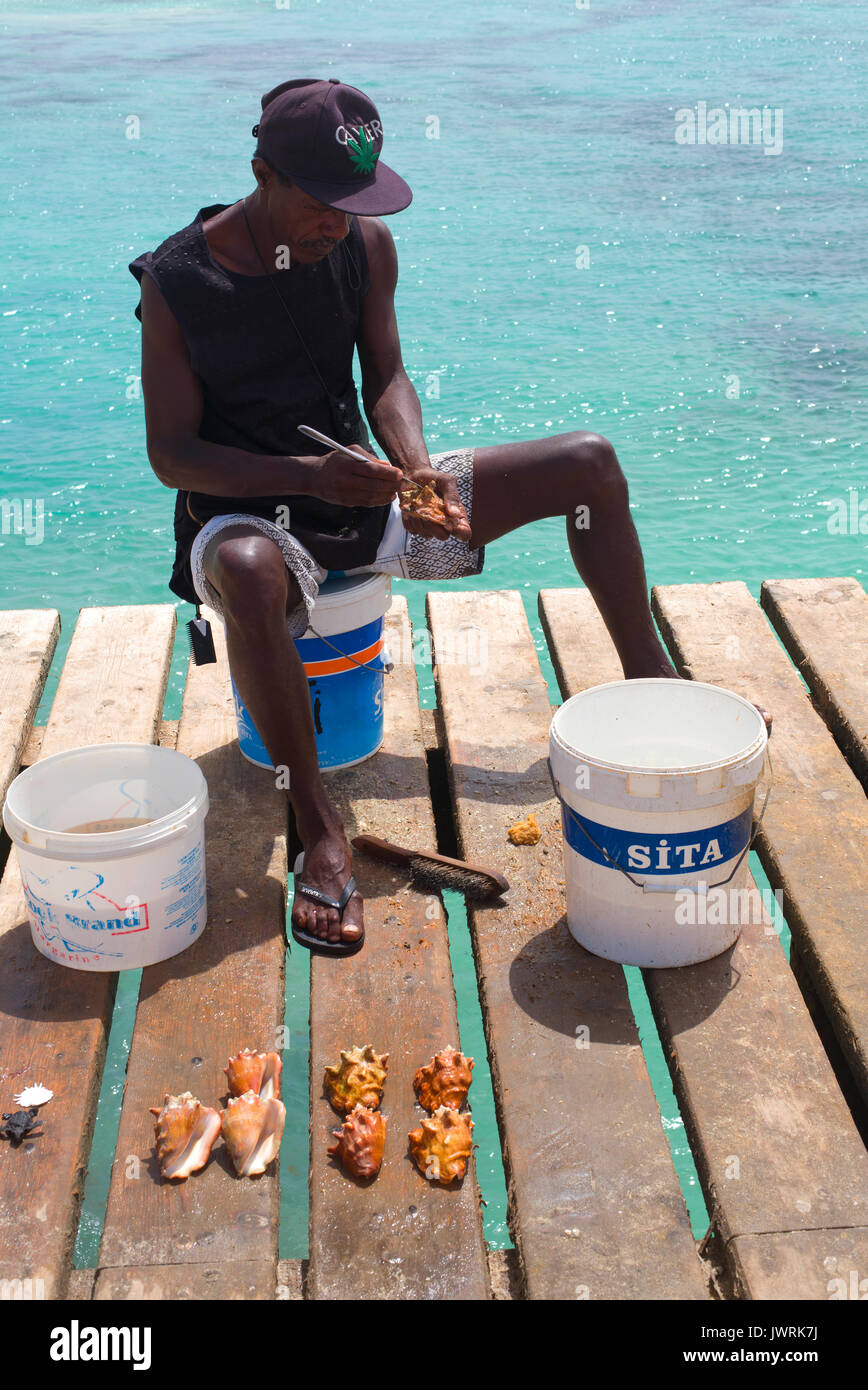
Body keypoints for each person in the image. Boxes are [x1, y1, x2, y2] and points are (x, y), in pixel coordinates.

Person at [130, 77, 698, 958]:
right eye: (322, 203)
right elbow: (173, 454)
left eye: (353, 204)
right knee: (246, 571)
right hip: (247, 518)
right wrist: (308, 476)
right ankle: (319, 825)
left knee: (588, 462)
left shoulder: (363, 245)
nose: (337, 223)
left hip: (366, 490)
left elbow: (385, 376)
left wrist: (420, 470)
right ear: (262, 173)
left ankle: (657, 690)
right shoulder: (177, 282)